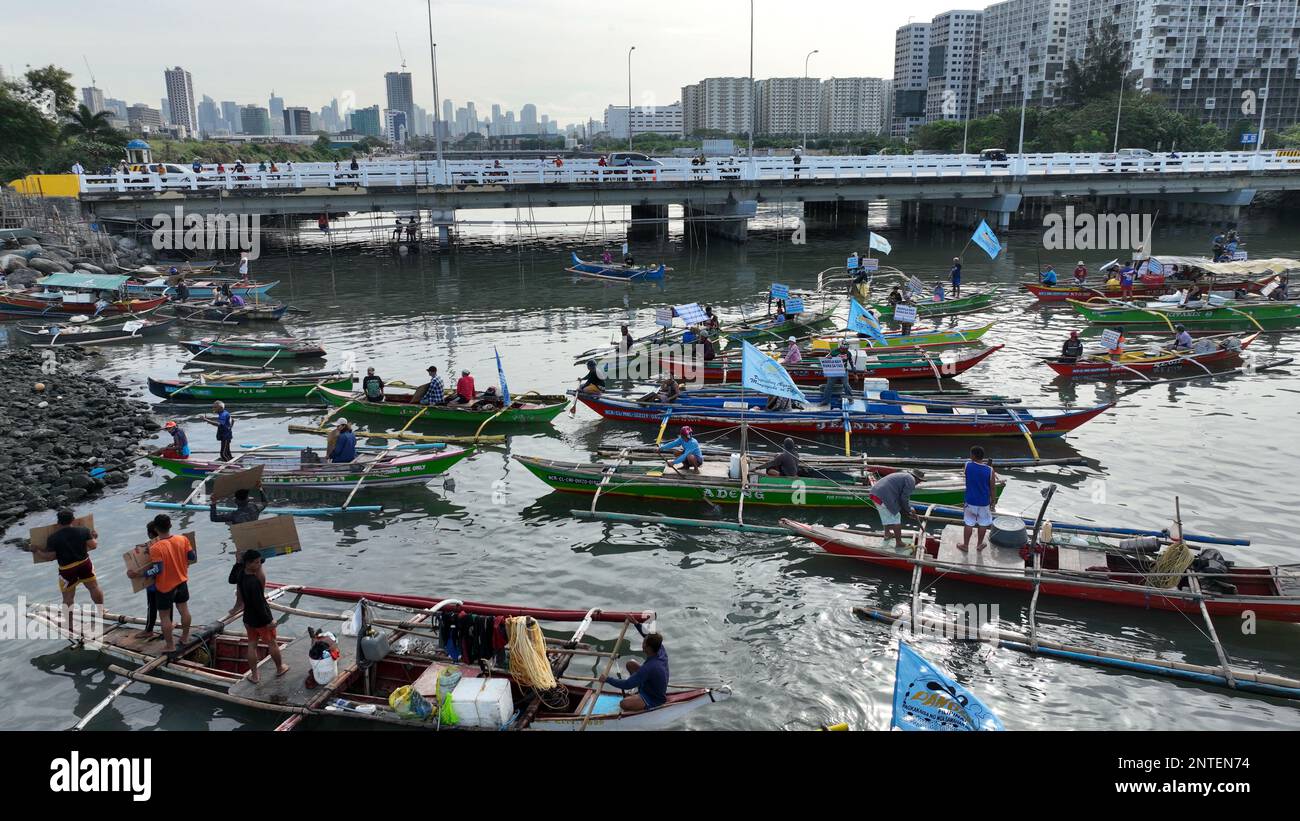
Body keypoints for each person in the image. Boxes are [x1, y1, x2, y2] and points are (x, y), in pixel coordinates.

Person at [127, 515, 196, 653]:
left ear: (156, 529)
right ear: (170, 525)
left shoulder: (156, 547)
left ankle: (170, 646)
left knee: (164, 616)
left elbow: (157, 569)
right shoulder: (183, 539)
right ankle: (184, 637)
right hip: (182, 582)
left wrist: (138, 574)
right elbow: (192, 557)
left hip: (165, 587)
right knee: (184, 610)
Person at [237, 550, 290, 683]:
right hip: (261, 620)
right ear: (248, 564)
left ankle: (255, 676)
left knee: (252, 645)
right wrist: (269, 621)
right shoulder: (254, 582)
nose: (259, 564)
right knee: (272, 643)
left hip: (248, 618)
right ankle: (280, 668)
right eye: (256, 562)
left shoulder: (241, 574)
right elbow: (260, 604)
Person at [45, 509, 104, 611]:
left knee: (68, 597)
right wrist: (94, 537)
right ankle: (101, 610)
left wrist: (36, 551)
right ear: (73, 519)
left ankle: (69, 624)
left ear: (58, 522)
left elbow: (50, 557)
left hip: (67, 569)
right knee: (93, 587)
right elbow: (93, 546)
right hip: (84, 564)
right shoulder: (83, 530)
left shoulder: (53, 538)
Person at [602, 633, 669, 712]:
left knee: (624, 703)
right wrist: (636, 623)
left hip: (654, 698)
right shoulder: (660, 649)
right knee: (631, 664)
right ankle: (637, 686)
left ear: (648, 648)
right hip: (650, 685)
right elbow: (645, 634)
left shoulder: (649, 667)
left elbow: (627, 684)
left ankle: (640, 699)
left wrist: (607, 679)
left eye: (644, 642)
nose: (642, 644)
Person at [868, 471, 924, 550]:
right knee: (896, 517)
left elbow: (900, 499)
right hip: (883, 495)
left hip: (875, 494)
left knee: (887, 516)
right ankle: (899, 543)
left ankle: (887, 534)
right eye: (919, 482)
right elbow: (904, 498)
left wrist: (907, 511)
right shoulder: (911, 480)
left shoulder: (904, 476)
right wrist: (909, 510)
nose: (918, 483)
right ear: (917, 479)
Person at [960, 447, 997, 551]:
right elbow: (992, 488)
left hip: (970, 500)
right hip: (984, 502)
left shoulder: (967, 465)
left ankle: (965, 545)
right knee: (983, 523)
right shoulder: (990, 470)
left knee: (968, 523)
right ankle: (979, 544)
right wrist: (993, 501)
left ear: (974, 456)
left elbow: (967, 474)